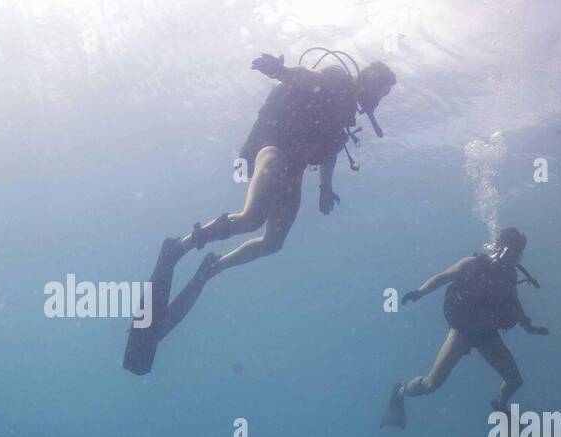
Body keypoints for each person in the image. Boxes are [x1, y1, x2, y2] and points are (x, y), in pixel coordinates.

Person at [124, 51, 396, 374]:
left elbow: (329, 155)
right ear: (368, 78)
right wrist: (279, 70)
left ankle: (212, 268)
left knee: (273, 241)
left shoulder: (346, 113)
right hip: (273, 147)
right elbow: (307, 78)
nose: (380, 97)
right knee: (251, 217)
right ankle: (179, 247)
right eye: (381, 89)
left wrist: (325, 188)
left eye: (385, 93)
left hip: (293, 166)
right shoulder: (336, 78)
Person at [380, 227, 549, 436]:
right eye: (511, 252)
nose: (514, 258)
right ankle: (400, 392)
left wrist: (529, 327)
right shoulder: (473, 264)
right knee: (432, 384)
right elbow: (443, 277)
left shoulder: (509, 276)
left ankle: (501, 405)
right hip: (463, 331)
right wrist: (420, 292)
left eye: (518, 254)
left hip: (486, 334)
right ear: (499, 248)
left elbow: (515, 304)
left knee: (515, 381)